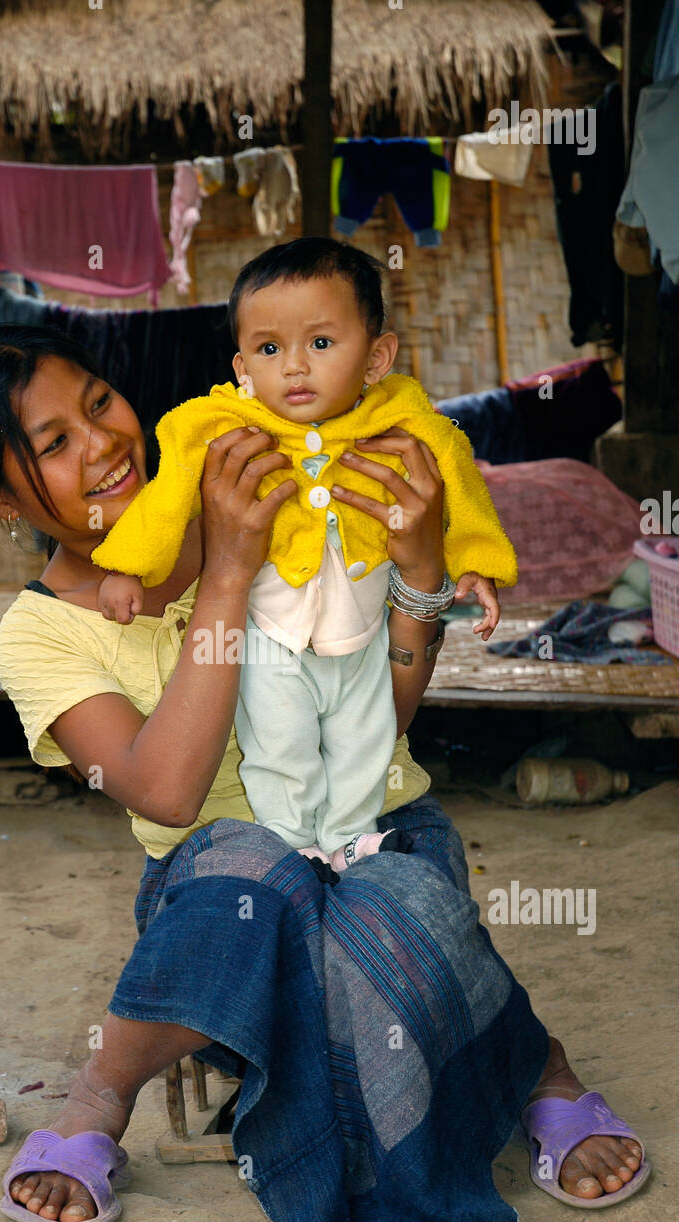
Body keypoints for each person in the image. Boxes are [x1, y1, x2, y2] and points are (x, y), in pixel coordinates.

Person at [0, 322, 648, 1222]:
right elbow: (169, 794)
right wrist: (229, 571)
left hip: (368, 825)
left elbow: (384, 714)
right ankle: (103, 1088)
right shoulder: (41, 635)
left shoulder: (272, 498)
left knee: (387, 894)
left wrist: (421, 569)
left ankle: (535, 1062)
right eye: (53, 444)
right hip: (222, 907)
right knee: (259, 874)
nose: (102, 443)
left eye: (99, 402)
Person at [93, 239, 516, 873]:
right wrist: (128, 564)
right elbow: (170, 489)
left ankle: (349, 837)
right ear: (242, 366)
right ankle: (291, 844)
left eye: (320, 344)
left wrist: (476, 561)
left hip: (365, 636)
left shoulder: (403, 417)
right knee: (278, 743)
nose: (294, 367)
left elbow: (459, 478)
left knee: (365, 739)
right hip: (274, 636)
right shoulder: (221, 423)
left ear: (377, 357)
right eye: (270, 349)